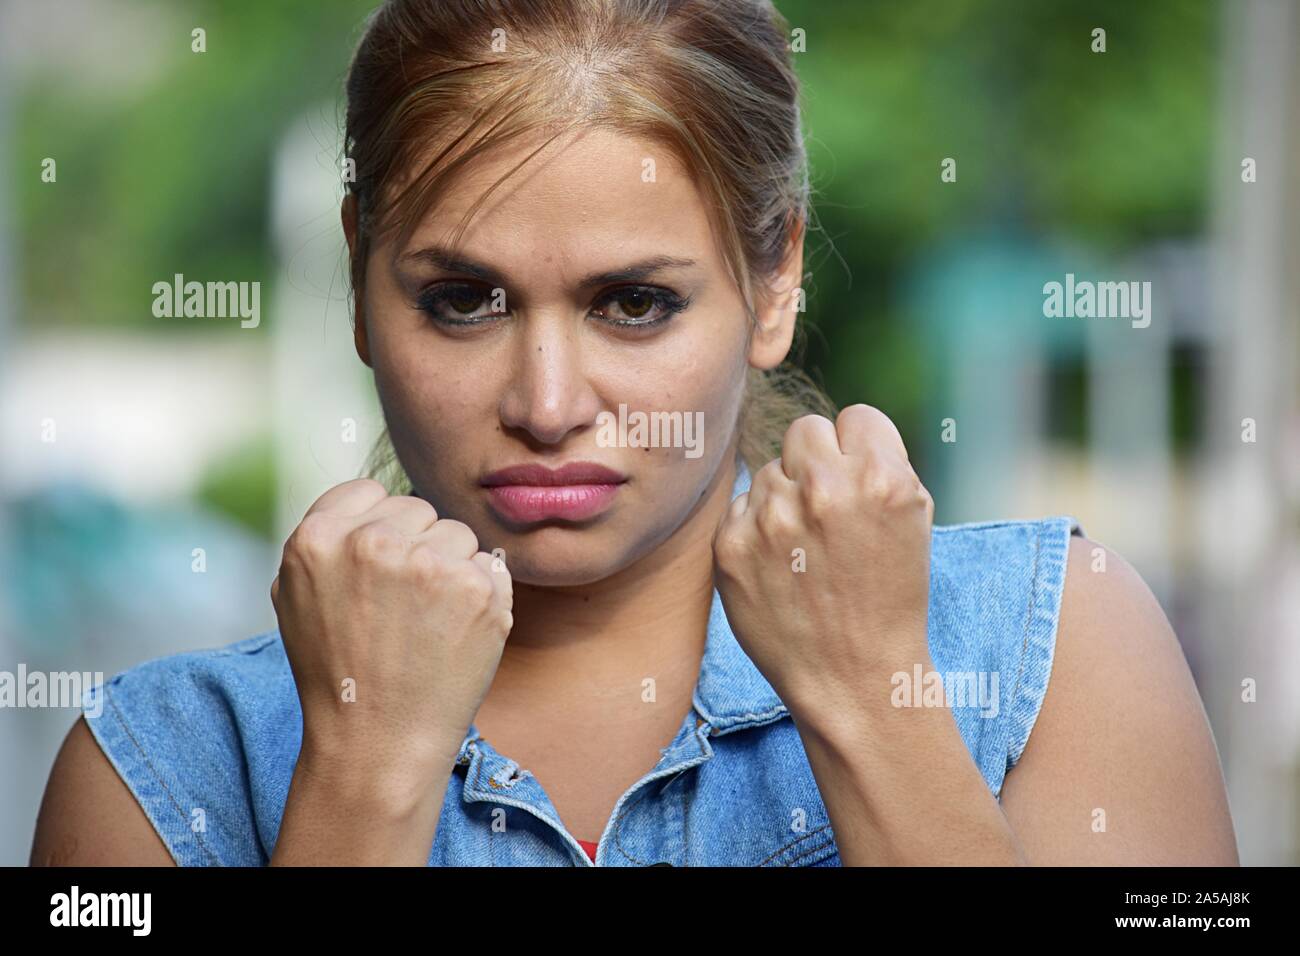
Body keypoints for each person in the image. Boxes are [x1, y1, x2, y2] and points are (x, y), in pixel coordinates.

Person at [31, 0, 1238, 867]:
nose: (549, 404)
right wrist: (362, 781)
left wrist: (879, 711)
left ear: (774, 282)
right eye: (462, 300)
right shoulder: (159, 765)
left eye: (633, 302)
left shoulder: (1049, 643)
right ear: (358, 278)